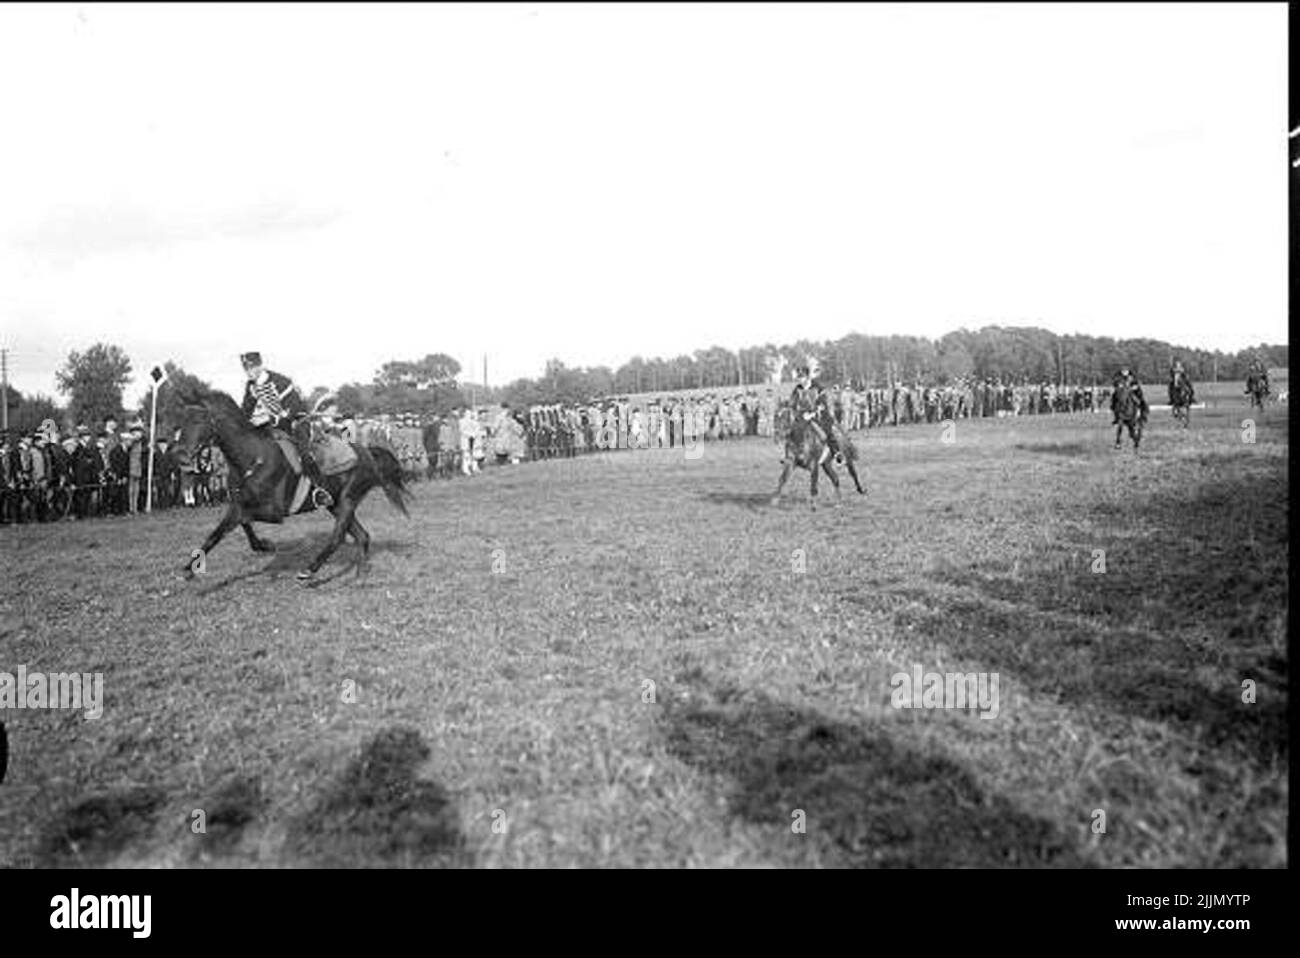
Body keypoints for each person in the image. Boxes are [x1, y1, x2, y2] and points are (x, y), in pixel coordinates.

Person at [239, 351, 333, 508]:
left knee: (304, 452)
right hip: (273, 425)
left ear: (260, 366)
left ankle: (320, 490)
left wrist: (277, 418)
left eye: (252, 368)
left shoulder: (280, 381)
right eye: (246, 369)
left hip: (297, 421)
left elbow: (294, 406)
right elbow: (246, 409)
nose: (249, 372)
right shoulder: (251, 386)